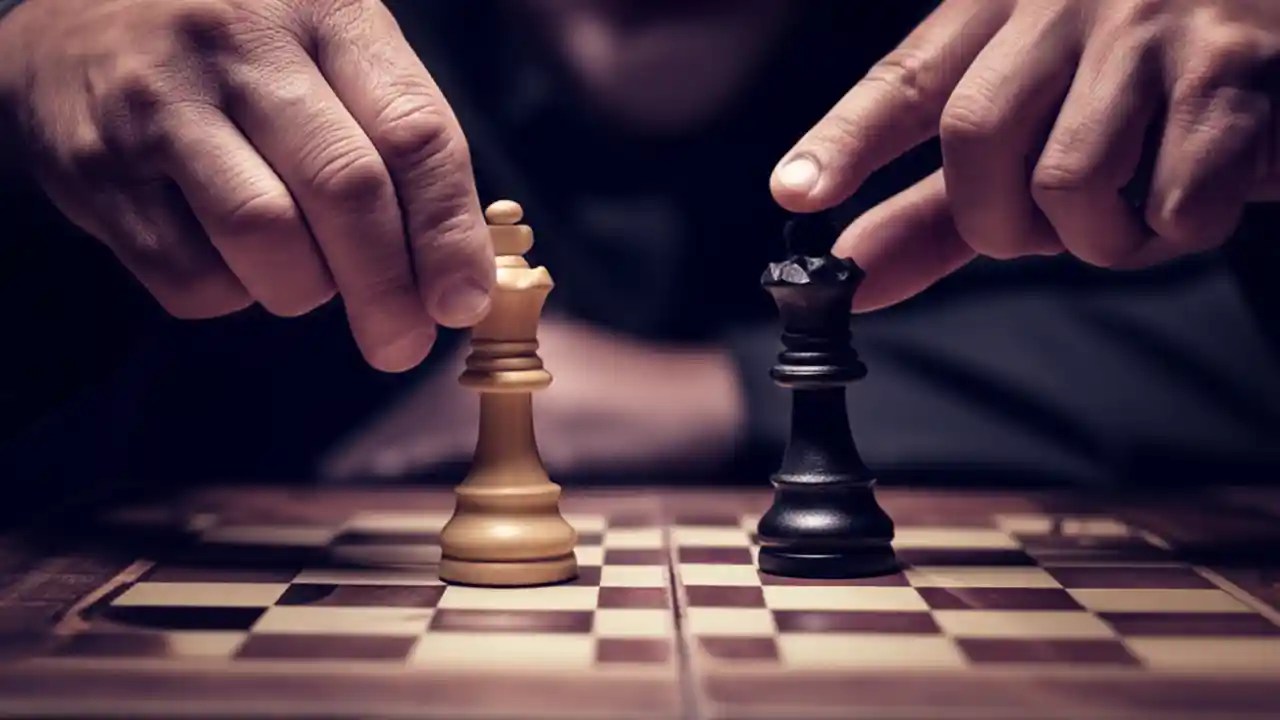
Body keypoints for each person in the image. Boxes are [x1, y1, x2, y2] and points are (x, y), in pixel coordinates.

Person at [1, 0, 1278, 497]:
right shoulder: (238, 22)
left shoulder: (1072, 28)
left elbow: (1216, 342)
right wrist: (15, 65)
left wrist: (712, 391)